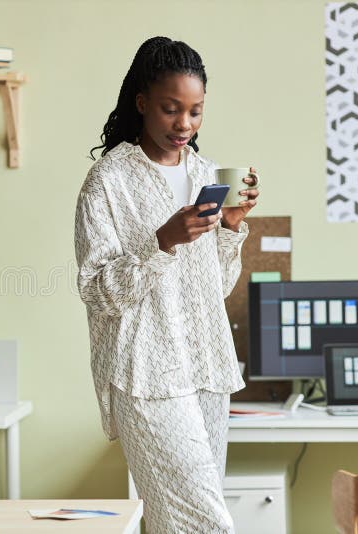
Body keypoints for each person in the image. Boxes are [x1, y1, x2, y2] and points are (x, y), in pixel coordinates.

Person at [74, 36, 260, 533]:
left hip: (206, 368)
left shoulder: (205, 174)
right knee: (205, 524)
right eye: (171, 109)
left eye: (196, 112)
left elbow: (216, 286)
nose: (184, 125)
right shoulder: (108, 181)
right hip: (145, 375)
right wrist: (162, 241)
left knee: (171, 524)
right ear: (142, 104)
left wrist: (231, 227)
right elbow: (97, 290)